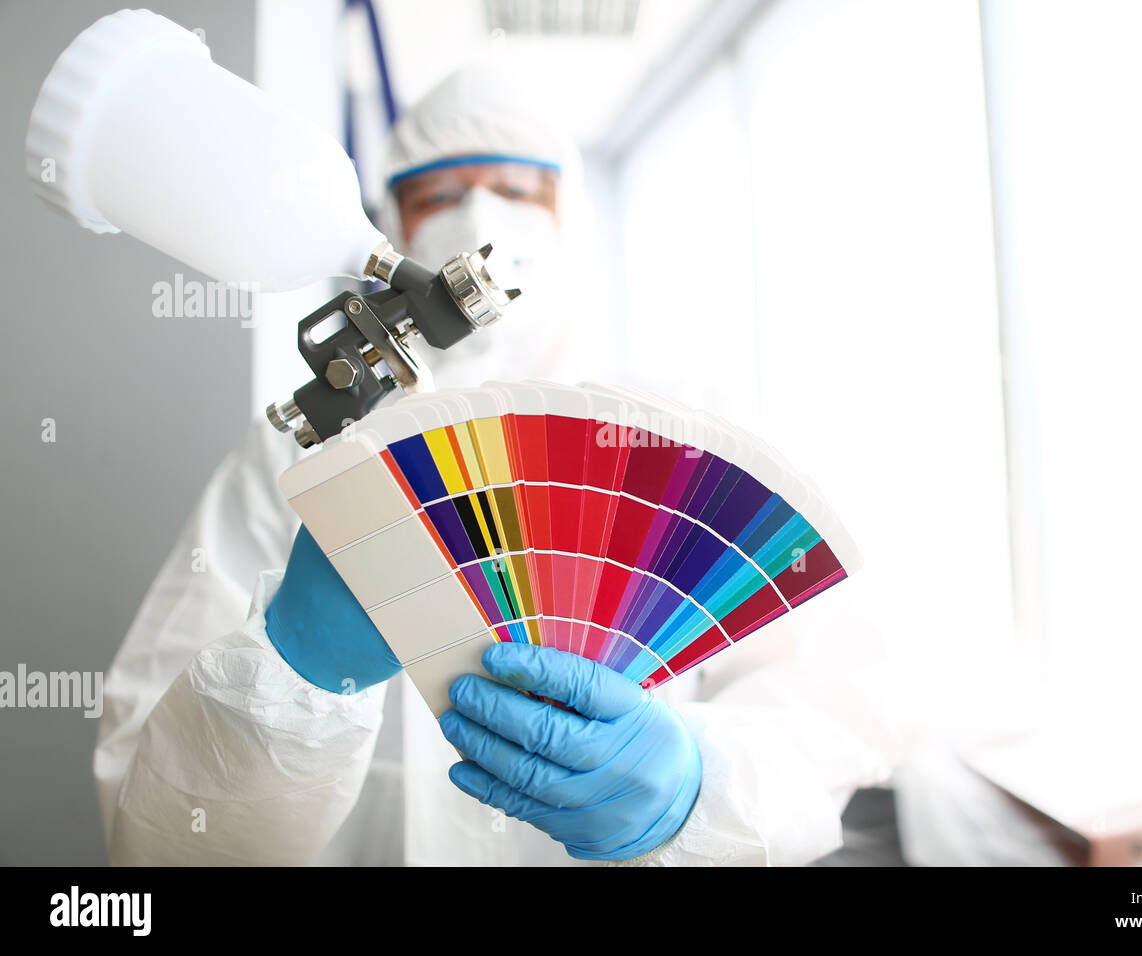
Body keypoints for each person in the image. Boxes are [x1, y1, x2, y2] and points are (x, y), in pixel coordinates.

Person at [93, 65, 884, 866]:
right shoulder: (302, 449)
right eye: (437, 197)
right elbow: (152, 815)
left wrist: (691, 794)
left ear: (566, 215)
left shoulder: (676, 431)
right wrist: (290, 677)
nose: (477, 215)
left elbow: (819, 717)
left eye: (514, 190)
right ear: (391, 225)